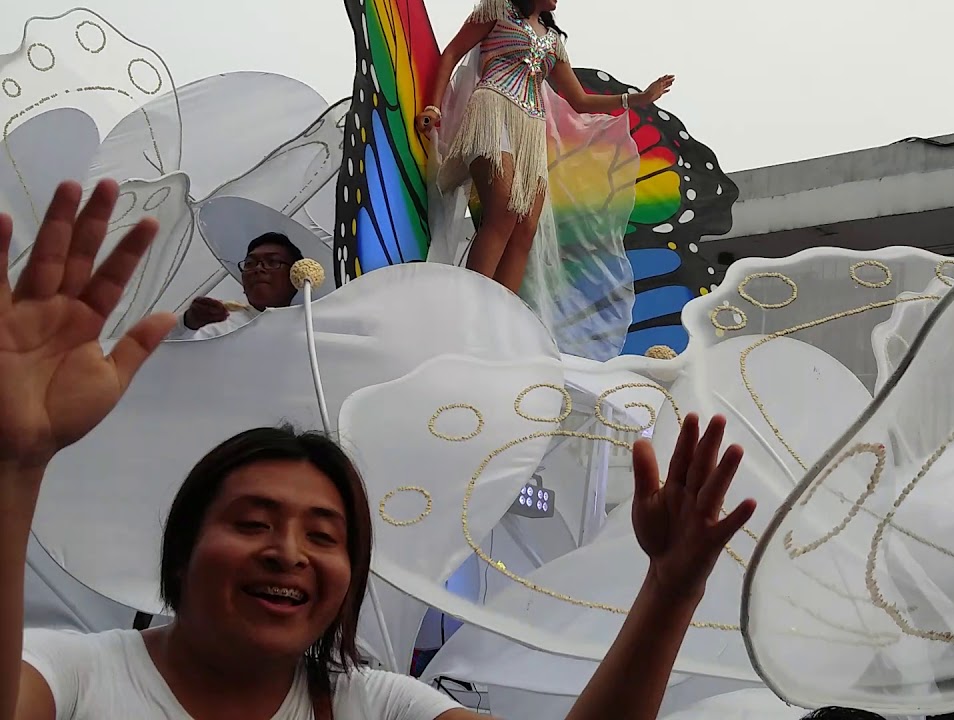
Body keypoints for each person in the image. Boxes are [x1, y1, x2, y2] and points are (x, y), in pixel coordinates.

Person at [0, 179, 757, 719]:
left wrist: (668, 591)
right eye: (253, 522)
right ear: (181, 546)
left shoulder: (371, 702)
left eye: (324, 535)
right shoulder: (76, 676)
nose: (289, 552)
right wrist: (16, 466)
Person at [417, 0, 673, 296]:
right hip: (492, 109)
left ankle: (503, 315)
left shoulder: (553, 41)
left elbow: (580, 100)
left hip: (531, 129)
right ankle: (472, 302)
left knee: (526, 228)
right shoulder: (497, 10)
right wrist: (434, 106)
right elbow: (452, 53)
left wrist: (636, 99)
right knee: (504, 208)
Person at [169, 232, 305, 341]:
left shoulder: (310, 331)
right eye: (250, 263)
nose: (258, 269)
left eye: (273, 262)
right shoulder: (218, 325)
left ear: (295, 277)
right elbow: (164, 350)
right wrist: (189, 322)